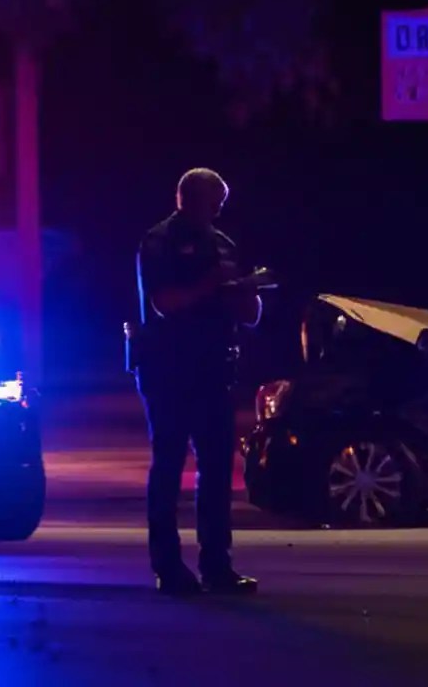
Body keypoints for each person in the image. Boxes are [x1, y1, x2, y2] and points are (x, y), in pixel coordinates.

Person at [133, 168, 262, 595]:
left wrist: (247, 293)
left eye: (220, 203)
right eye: (213, 202)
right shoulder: (159, 242)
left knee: (218, 468)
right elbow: (164, 303)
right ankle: (168, 568)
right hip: (168, 369)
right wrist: (211, 285)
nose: (218, 211)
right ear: (187, 198)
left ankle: (217, 565)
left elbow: (248, 314)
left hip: (213, 369)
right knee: (168, 466)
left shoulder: (223, 244)